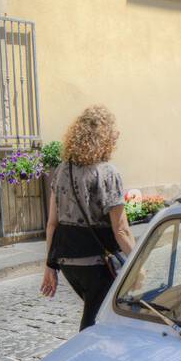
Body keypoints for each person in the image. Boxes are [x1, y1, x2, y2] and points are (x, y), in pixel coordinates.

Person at [41, 105, 137, 330]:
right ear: (104, 138)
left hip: (67, 261)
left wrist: (50, 266)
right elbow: (121, 229)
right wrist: (138, 264)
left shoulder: (62, 170)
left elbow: (52, 224)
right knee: (95, 323)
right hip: (95, 262)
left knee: (102, 313)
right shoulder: (107, 173)